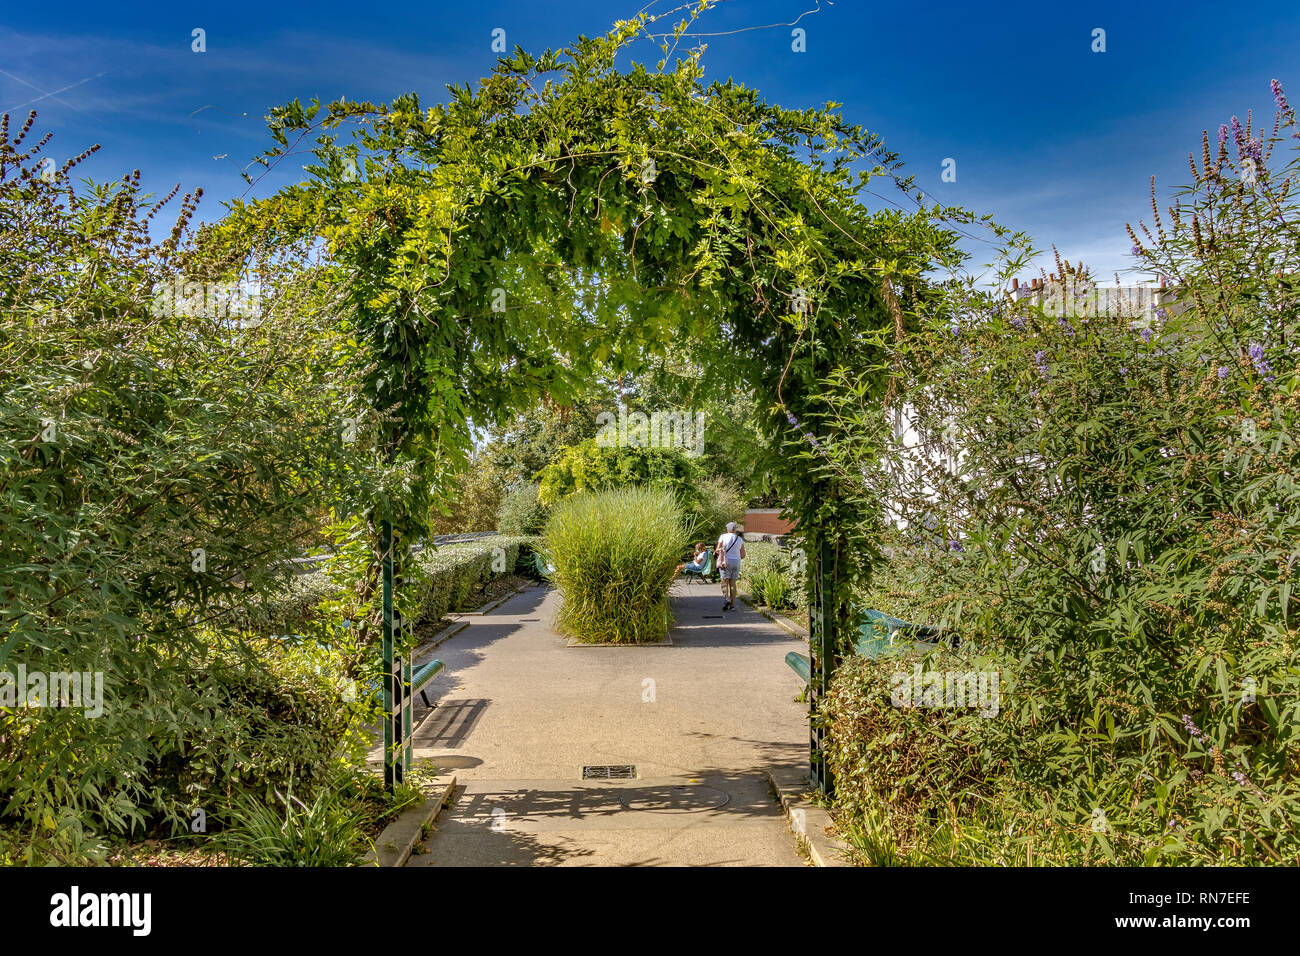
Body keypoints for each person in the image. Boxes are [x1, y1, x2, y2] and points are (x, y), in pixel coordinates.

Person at [715, 522, 745, 611]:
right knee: (733, 583)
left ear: (727, 529)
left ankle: (726, 599)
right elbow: (743, 555)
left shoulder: (723, 537)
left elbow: (717, 550)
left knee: (724, 582)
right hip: (736, 562)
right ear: (735, 529)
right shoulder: (739, 539)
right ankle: (732, 605)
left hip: (725, 562)